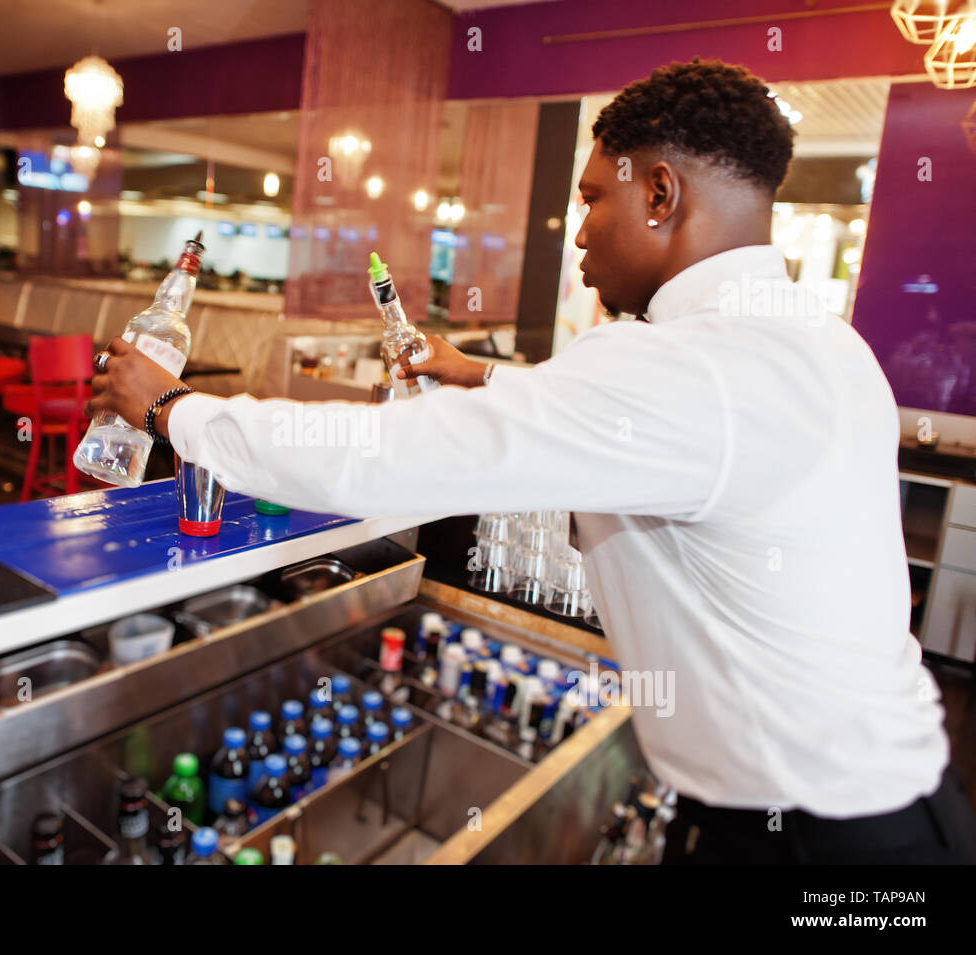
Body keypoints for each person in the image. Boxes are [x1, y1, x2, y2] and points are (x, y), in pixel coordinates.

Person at [86, 59, 976, 864]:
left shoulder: (685, 367)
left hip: (815, 845)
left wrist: (174, 407)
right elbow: (633, 424)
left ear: (659, 192)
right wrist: (474, 372)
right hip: (897, 812)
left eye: (593, 198)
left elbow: (379, 457)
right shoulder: (821, 343)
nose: (579, 230)